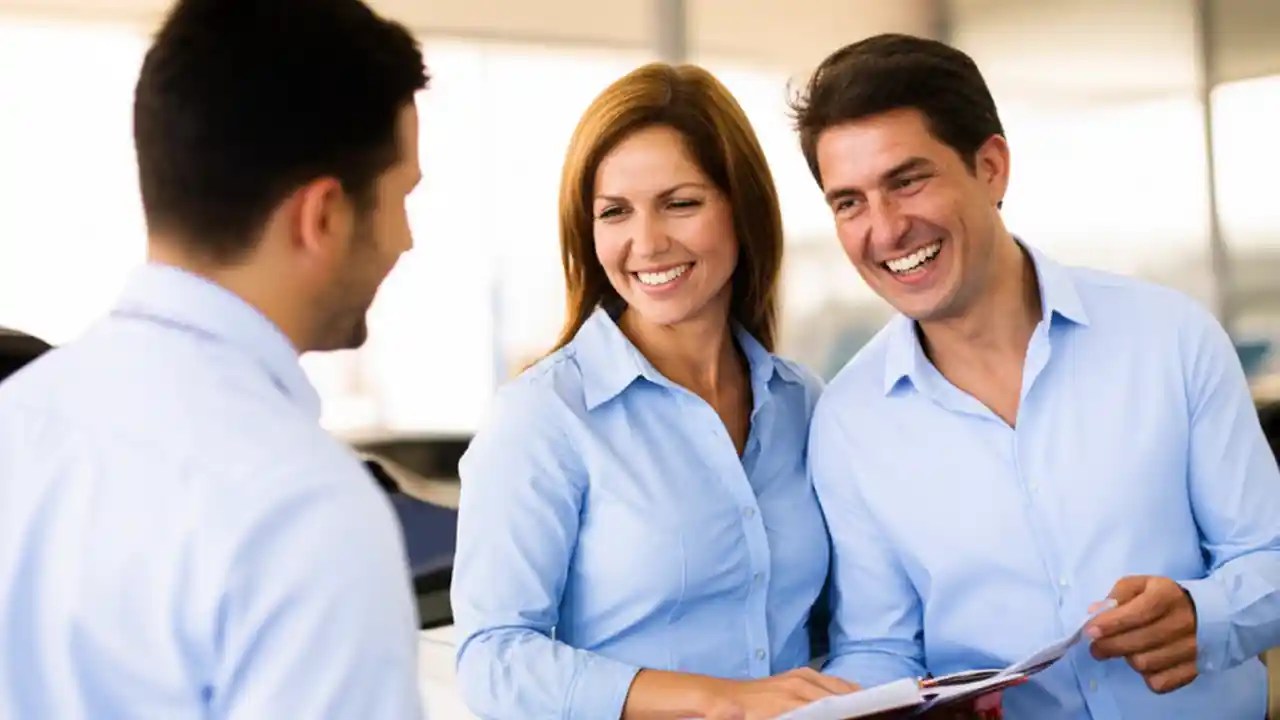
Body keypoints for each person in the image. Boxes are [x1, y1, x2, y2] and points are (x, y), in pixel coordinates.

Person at [794, 33, 1280, 719]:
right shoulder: (848, 423)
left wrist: (1210, 614)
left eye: (908, 181)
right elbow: (880, 644)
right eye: (850, 202)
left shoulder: (1170, 337)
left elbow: (1270, 554)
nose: (885, 229)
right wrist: (897, 707)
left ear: (991, 167)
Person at [0, 1, 430, 717]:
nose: (407, 240)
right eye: (401, 198)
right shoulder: (302, 509)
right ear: (322, 217)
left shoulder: (16, 420)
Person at [450, 63, 855, 719]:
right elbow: (495, 660)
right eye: (615, 212)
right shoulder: (545, 416)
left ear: (740, 207)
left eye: (680, 203)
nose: (647, 242)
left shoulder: (802, 404)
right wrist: (721, 701)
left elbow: (840, 627)